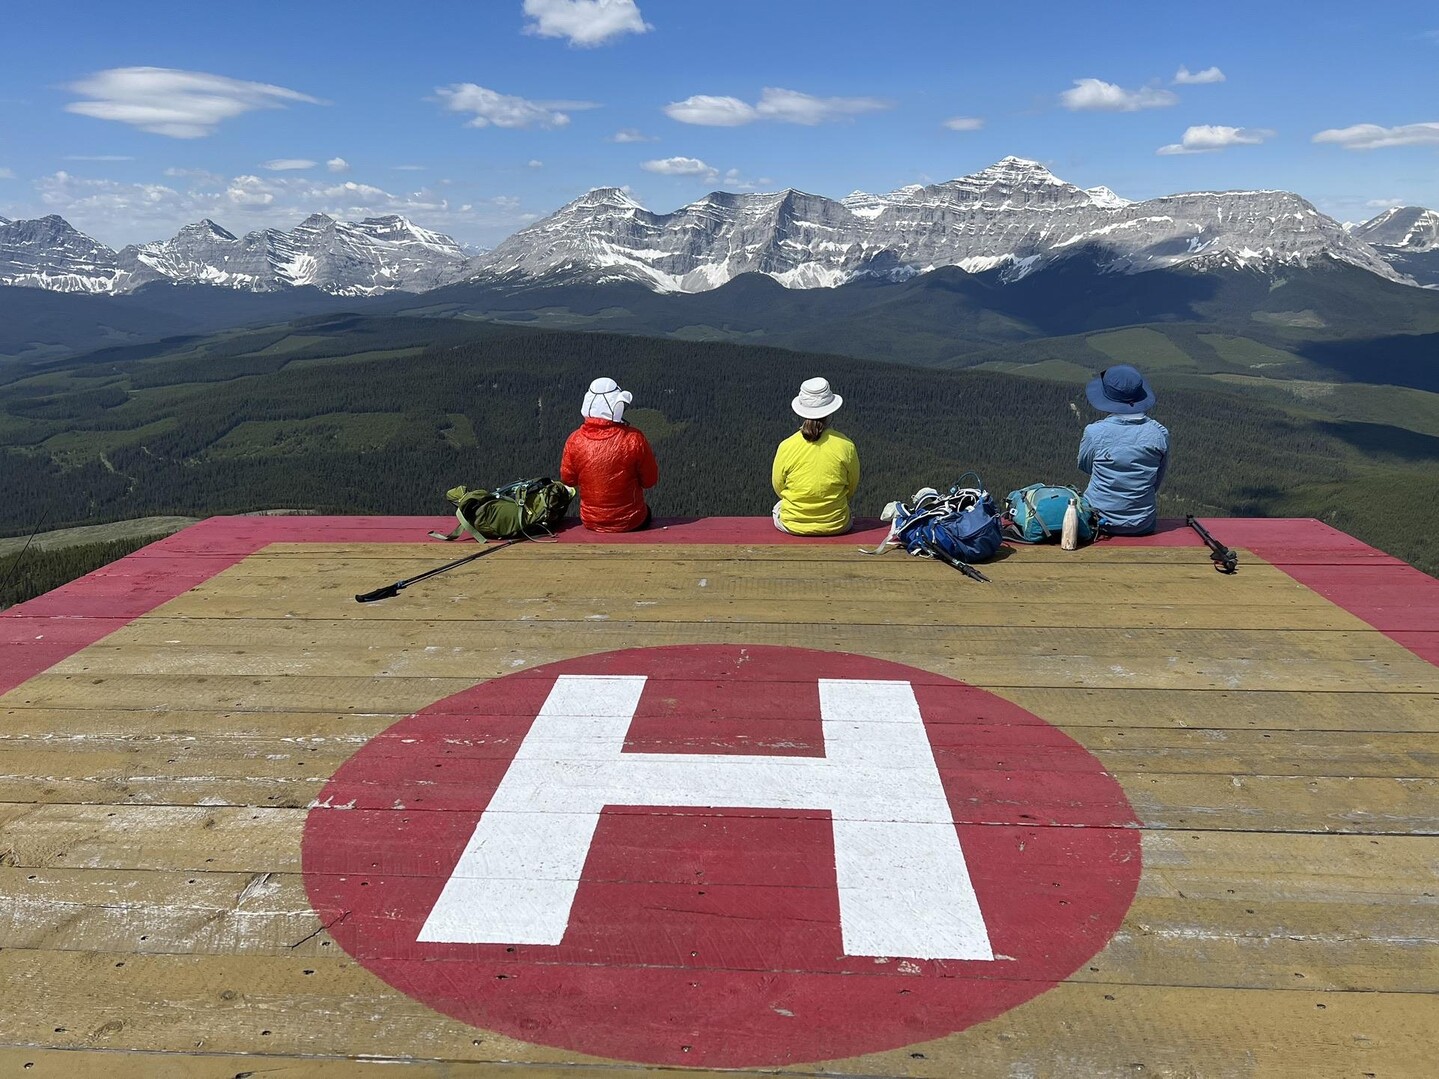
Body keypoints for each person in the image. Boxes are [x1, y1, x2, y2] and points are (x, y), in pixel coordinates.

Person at [1078, 365, 1169, 536]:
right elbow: (1156, 480)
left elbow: (1085, 466)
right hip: (1143, 524)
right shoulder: (1160, 433)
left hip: (1096, 520)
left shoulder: (1093, 432)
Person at [560, 377, 658, 532]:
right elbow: (650, 481)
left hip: (591, 521)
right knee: (646, 512)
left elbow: (568, 480)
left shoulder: (575, 440)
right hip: (631, 520)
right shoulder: (634, 439)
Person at [772, 377, 860, 535]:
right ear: (830, 411)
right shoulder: (847, 445)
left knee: (778, 506)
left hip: (793, 525)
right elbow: (851, 488)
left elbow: (779, 487)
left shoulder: (786, 446)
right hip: (837, 525)